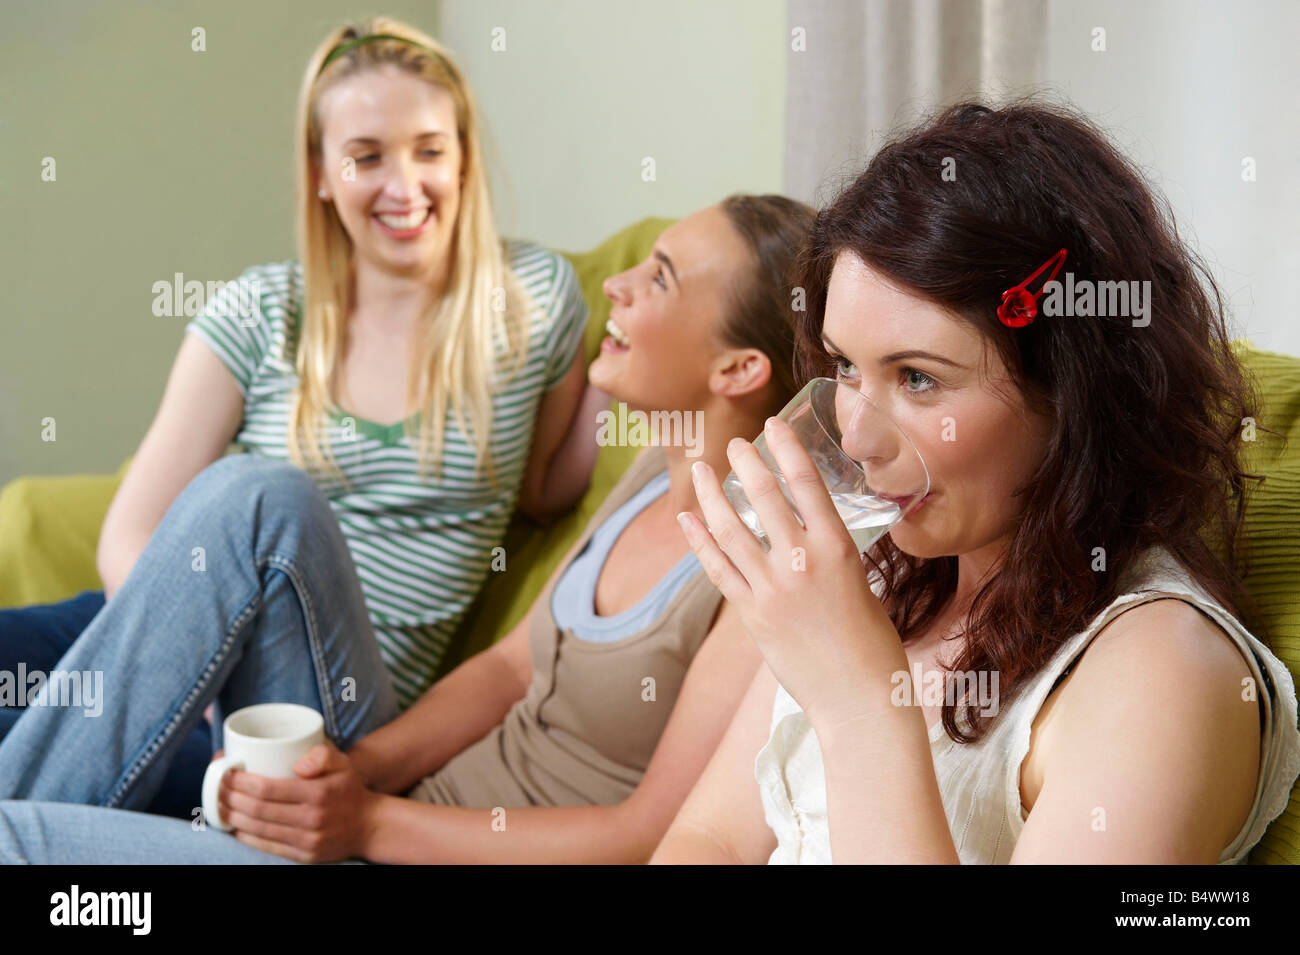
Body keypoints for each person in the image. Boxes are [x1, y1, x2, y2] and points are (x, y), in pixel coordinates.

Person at [0, 194, 818, 864]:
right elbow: (505, 668)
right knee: (258, 497)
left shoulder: (761, 566)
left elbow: (648, 834)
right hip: (396, 813)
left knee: (16, 835)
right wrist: (352, 774)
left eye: (661, 280)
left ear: (738, 370)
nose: (619, 285)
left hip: (408, 848)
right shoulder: (658, 467)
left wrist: (363, 826)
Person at [655, 101, 1300, 865]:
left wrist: (860, 706)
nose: (855, 437)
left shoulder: (1164, 675)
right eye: (845, 367)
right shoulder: (886, 576)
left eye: (919, 377)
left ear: (1073, 392)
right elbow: (711, 838)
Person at [0, 18, 600, 818]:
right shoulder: (261, 309)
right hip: (165, 632)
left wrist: (630, 384)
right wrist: (193, 673)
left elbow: (542, 489)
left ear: (463, 156)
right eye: (367, 155)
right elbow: (130, 531)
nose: (404, 185)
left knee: (262, 495)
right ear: (320, 171)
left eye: (429, 149)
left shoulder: (534, 300)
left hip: (319, 700)